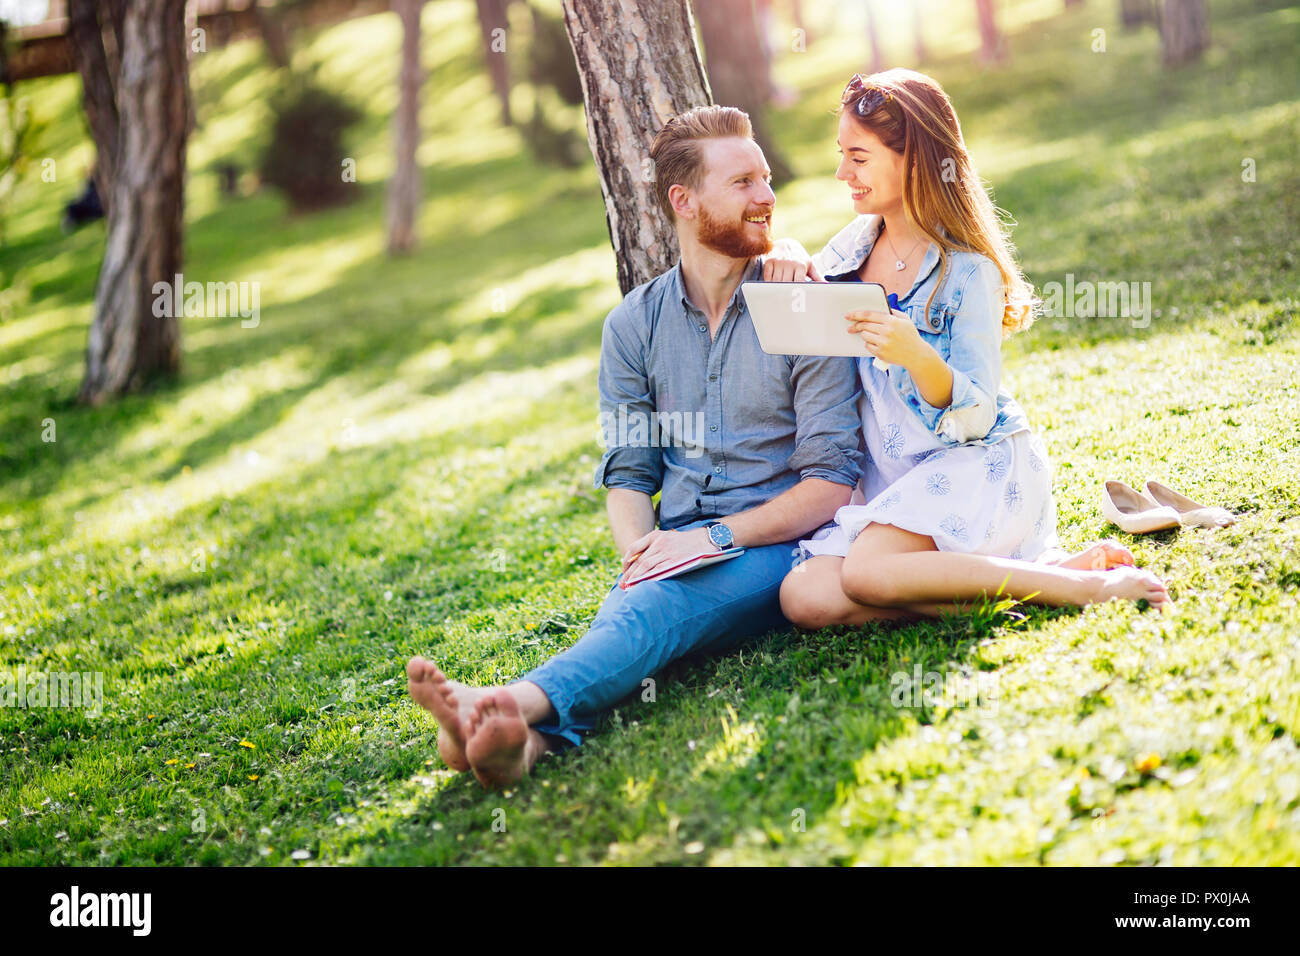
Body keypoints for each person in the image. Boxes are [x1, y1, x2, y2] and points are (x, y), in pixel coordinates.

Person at [407, 105, 864, 788]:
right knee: (646, 606)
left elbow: (830, 482)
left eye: (765, 177)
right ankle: (521, 747)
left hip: (782, 548)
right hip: (674, 543)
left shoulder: (804, 304)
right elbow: (629, 471)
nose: (766, 196)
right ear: (684, 200)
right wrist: (640, 552)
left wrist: (707, 540)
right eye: (742, 182)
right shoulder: (632, 325)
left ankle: (506, 702)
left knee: (654, 612)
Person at [763, 69, 1171, 629]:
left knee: (864, 576)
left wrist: (916, 355)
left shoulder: (968, 274)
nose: (842, 173)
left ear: (914, 159)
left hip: (976, 467)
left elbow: (976, 415)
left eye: (858, 157)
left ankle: (1082, 587)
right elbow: (804, 298)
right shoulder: (846, 252)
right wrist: (784, 248)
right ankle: (1020, 578)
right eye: (842, 155)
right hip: (895, 483)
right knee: (805, 597)